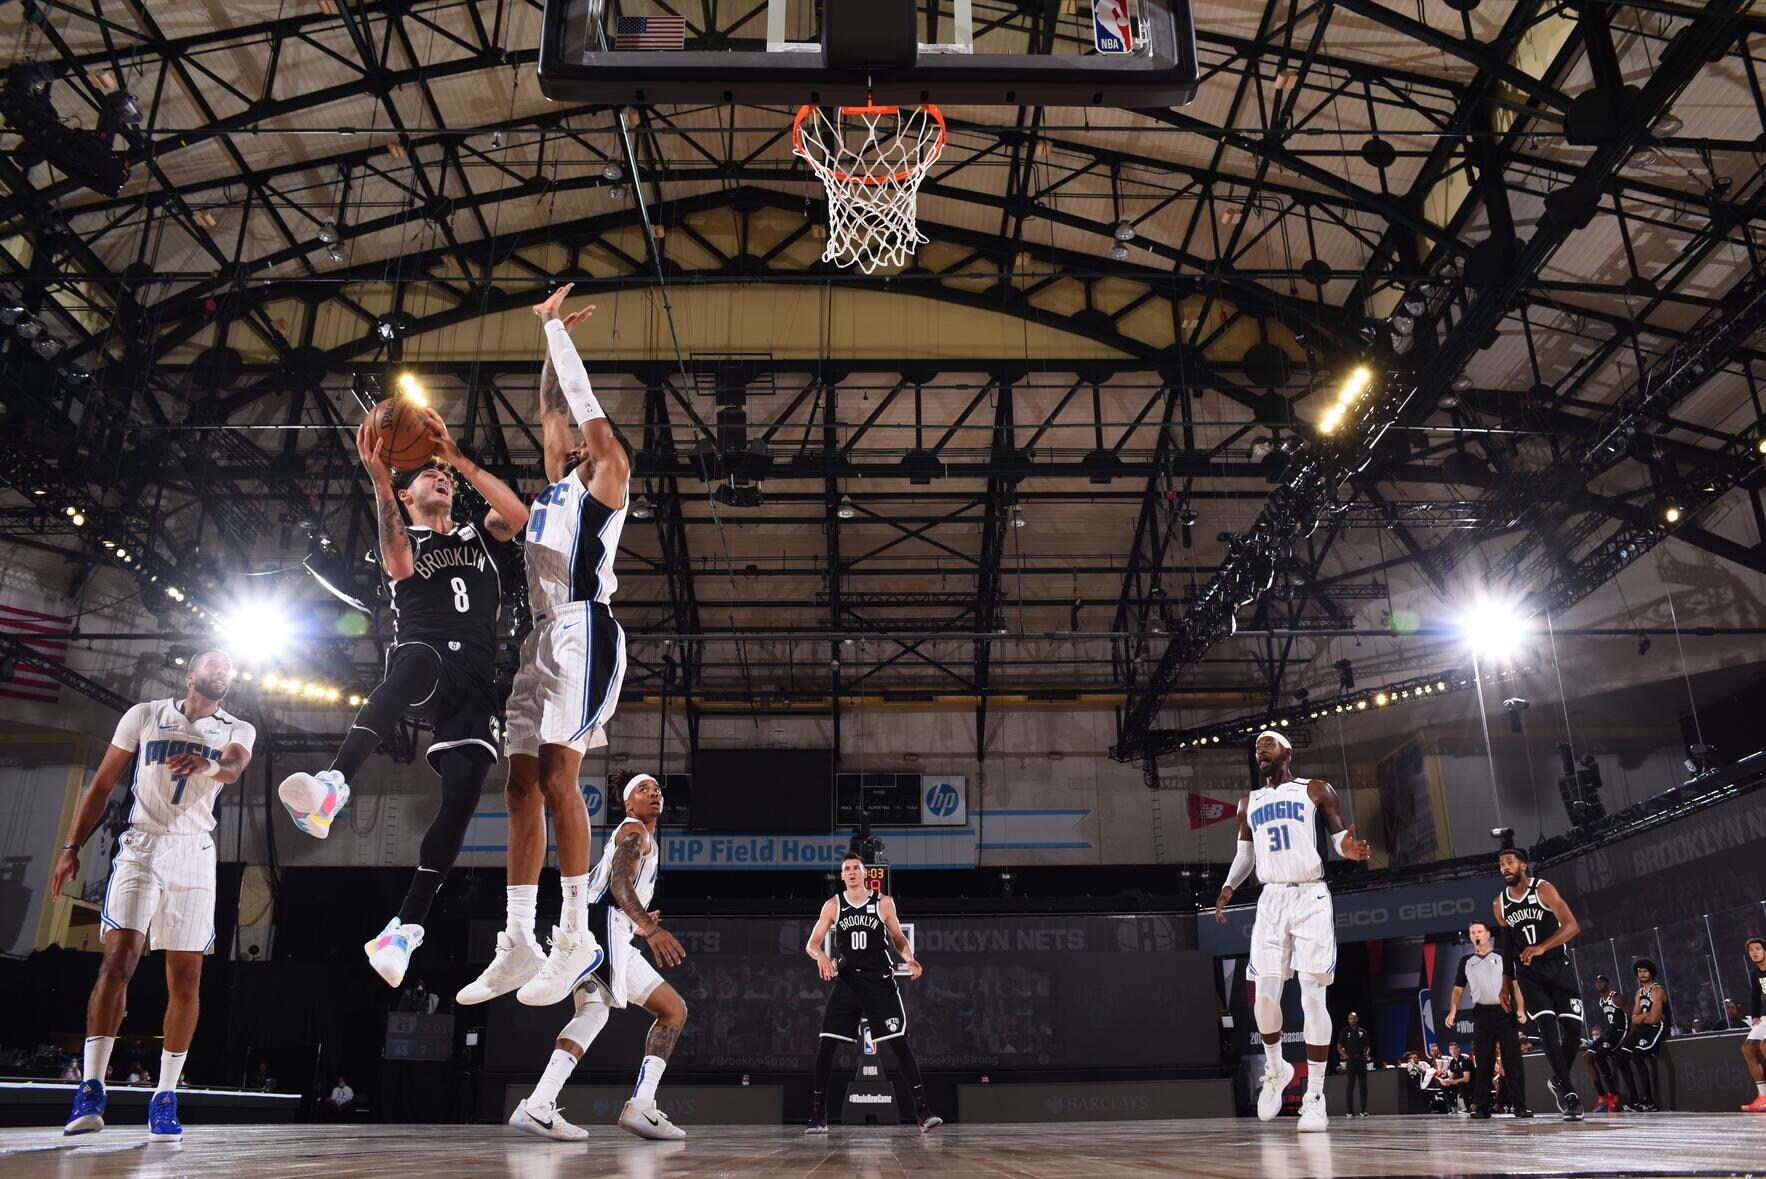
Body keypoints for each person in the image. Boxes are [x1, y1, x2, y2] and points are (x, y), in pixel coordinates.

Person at [278, 409, 528, 987]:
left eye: (445, 479)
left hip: (479, 678)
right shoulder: (403, 535)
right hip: (427, 656)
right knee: (417, 659)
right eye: (429, 478)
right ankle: (332, 787)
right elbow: (395, 561)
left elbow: (515, 513)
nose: (440, 480)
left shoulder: (477, 535)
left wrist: (460, 458)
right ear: (408, 494)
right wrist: (380, 477)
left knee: (464, 795)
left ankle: (404, 930)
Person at [457, 285, 632, 1009]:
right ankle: (520, 937)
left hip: (586, 631)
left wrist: (561, 332)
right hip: (538, 640)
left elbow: (584, 409)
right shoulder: (557, 489)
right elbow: (554, 410)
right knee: (520, 785)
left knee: (561, 778)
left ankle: (575, 933)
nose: (564, 444)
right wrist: (545, 335)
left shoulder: (608, 480)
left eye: (580, 445)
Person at [50, 649, 257, 1141]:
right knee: (118, 961)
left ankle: (164, 1095)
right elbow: (102, 784)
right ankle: (92, 1087)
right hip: (141, 844)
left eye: (229, 669)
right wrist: (70, 846)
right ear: (191, 675)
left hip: (193, 853)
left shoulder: (237, 728)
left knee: (186, 978)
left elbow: (232, 768)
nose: (222, 673)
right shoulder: (145, 715)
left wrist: (206, 766)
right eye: (213, 666)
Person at [507, 772, 690, 1142]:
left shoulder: (637, 836)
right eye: (643, 789)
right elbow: (618, 886)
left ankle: (641, 1104)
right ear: (628, 803)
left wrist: (635, 918)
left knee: (673, 1010)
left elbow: (600, 881)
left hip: (612, 926)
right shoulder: (634, 832)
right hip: (603, 927)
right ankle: (539, 1104)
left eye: (657, 790)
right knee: (593, 1012)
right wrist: (650, 929)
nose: (653, 794)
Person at [1214, 729, 1369, 1133]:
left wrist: (1349, 850)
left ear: (1287, 751)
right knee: (1264, 996)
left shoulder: (1316, 789)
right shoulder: (1249, 801)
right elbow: (1244, 855)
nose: (1259, 750)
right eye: (1256, 747)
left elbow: (1338, 840)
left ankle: (1315, 1097)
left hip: (1311, 896)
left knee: (1313, 998)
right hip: (1271, 899)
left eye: (1267, 744)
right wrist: (1229, 886)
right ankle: (1276, 1067)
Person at [804, 852, 943, 1133]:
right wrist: (819, 956)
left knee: (900, 1043)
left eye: (856, 867)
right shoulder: (833, 906)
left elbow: (897, 938)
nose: (852, 872)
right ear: (841, 876)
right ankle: (819, 1115)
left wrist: (910, 957)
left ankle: (923, 1112)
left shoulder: (883, 903)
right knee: (826, 1046)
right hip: (847, 983)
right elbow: (812, 944)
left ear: (865, 873)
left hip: (879, 982)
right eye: (847, 869)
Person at [1493, 846, 1585, 1119]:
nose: (1505, 868)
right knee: (1546, 1027)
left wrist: (1543, 947)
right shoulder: (1500, 904)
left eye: (1509, 862)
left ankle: (1558, 1080)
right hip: (1529, 973)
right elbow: (1508, 945)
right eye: (1501, 864)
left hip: (1558, 967)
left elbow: (1572, 926)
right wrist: (1506, 982)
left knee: (1572, 1029)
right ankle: (1569, 1095)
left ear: (1523, 865)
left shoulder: (1543, 889)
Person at [1445, 918, 1532, 1121]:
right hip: (1482, 1013)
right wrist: (1452, 1011)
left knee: (1513, 1060)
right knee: (1483, 1061)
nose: (1476, 935)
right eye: (1472, 932)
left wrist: (1521, 1008)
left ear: (1488, 935)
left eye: (1479, 931)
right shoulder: (1466, 962)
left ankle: (1520, 1105)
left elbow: (1516, 985)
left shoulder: (1503, 956)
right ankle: (1482, 1106)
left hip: (1504, 1011)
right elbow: (1458, 989)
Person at [1621, 957, 1670, 1111]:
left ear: (1651, 972)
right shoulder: (1639, 993)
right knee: (1620, 1057)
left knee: (1637, 1056)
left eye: (1644, 971)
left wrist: (1640, 1018)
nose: (1641, 974)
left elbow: (1655, 1018)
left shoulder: (1657, 990)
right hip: (1643, 1029)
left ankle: (1649, 1101)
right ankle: (1634, 1100)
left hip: (1657, 1028)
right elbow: (1633, 1019)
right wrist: (1643, 1016)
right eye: (1639, 971)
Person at [1586, 973, 1633, 1112]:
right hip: (1609, 1031)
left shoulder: (1616, 998)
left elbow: (1631, 1016)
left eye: (1601, 982)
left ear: (1608, 983)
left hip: (1620, 1031)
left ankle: (1615, 1095)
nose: (1599, 984)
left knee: (1600, 1055)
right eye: (1597, 982)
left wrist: (1628, 1037)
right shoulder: (1601, 1001)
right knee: (1587, 1058)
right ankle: (1602, 1095)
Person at [1741, 937, 1766, 1112]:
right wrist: (1755, 1016)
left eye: (1758, 948)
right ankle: (1763, 1096)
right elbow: (1755, 996)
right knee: (1748, 1048)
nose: (1754, 952)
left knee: (1765, 1045)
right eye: (1751, 950)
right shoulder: (1755, 973)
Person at [1336, 1010, 1370, 1118]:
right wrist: (1346, 1056)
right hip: (1351, 1060)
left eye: (1354, 1018)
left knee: (1363, 1085)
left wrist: (1367, 1054)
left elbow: (1367, 1046)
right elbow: (1339, 1046)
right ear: (1348, 1020)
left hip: (1361, 1059)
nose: (1352, 1020)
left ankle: (1363, 1110)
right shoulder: (1344, 1031)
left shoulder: (1363, 1032)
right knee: (1350, 1085)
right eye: (1350, 1018)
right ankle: (1349, 1110)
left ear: (1357, 1019)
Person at [1437, 1042, 1472, 1113]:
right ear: (1449, 1051)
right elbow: (1451, 1078)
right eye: (1451, 1049)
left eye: (1455, 1049)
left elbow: (1466, 1079)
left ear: (1459, 1050)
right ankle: (1453, 1107)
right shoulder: (1452, 1062)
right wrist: (1445, 1081)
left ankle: (1468, 1107)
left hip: (1470, 1084)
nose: (1453, 1051)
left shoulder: (1465, 1060)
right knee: (1443, 1085)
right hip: (1459, 1084)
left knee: (1460, 1083)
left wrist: (1450, 1081)